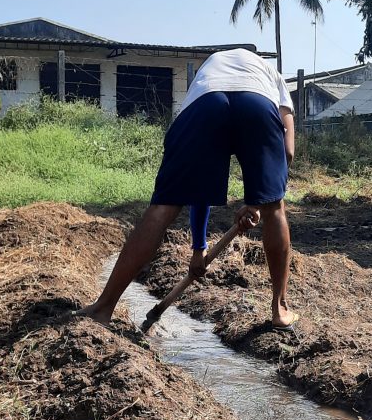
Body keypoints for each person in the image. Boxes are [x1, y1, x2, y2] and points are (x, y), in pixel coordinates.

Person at [78, 47, 298, 329]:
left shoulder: (210, 69)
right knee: (275, 210)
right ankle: (279, 310)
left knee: (162, 208)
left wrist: (199, 248)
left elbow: (199, 186)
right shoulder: (273, 76)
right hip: (257, 104)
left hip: (205, 106)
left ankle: (103, 307)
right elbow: (286, 152)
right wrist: (261, 202)